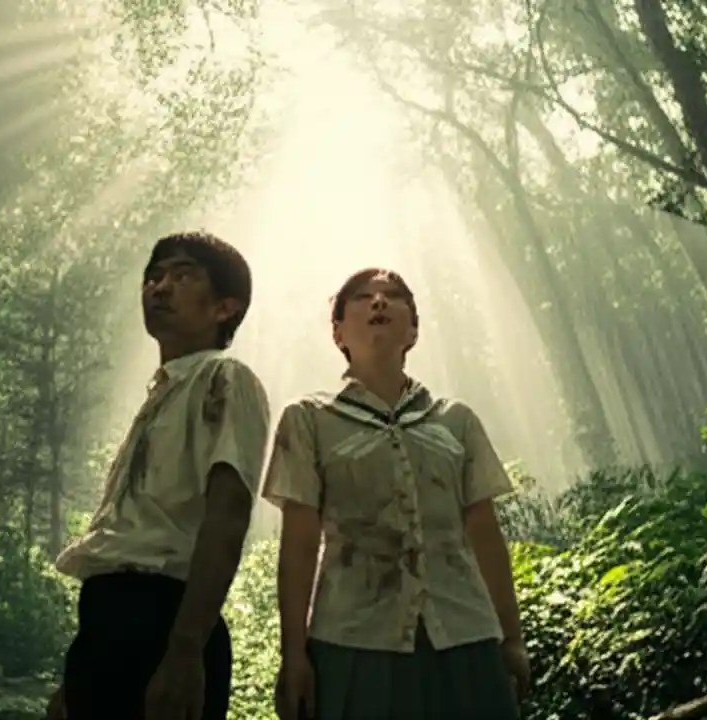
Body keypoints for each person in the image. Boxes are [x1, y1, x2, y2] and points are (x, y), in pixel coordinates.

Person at [264, 268, 530, 720]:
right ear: (338, 332)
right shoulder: (308, 419)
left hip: (465, 631)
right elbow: (300, 541)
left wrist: (511, 637)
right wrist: (294, 655)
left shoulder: (455, 420)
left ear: (414, 329)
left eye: (394, 296)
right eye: (363, 297)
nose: (379, 302)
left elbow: (484, 531)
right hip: (353, 637)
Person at [45, 231, 271, 720]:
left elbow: (228, 515)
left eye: (184, 275)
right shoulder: (160, 397)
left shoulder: (224, 379)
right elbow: (125, 535)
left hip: (167, 620)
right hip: (107, 622)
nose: (160, 287)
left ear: (225, 308)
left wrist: (186, 652)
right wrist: (78, 674)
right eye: (154, 277)